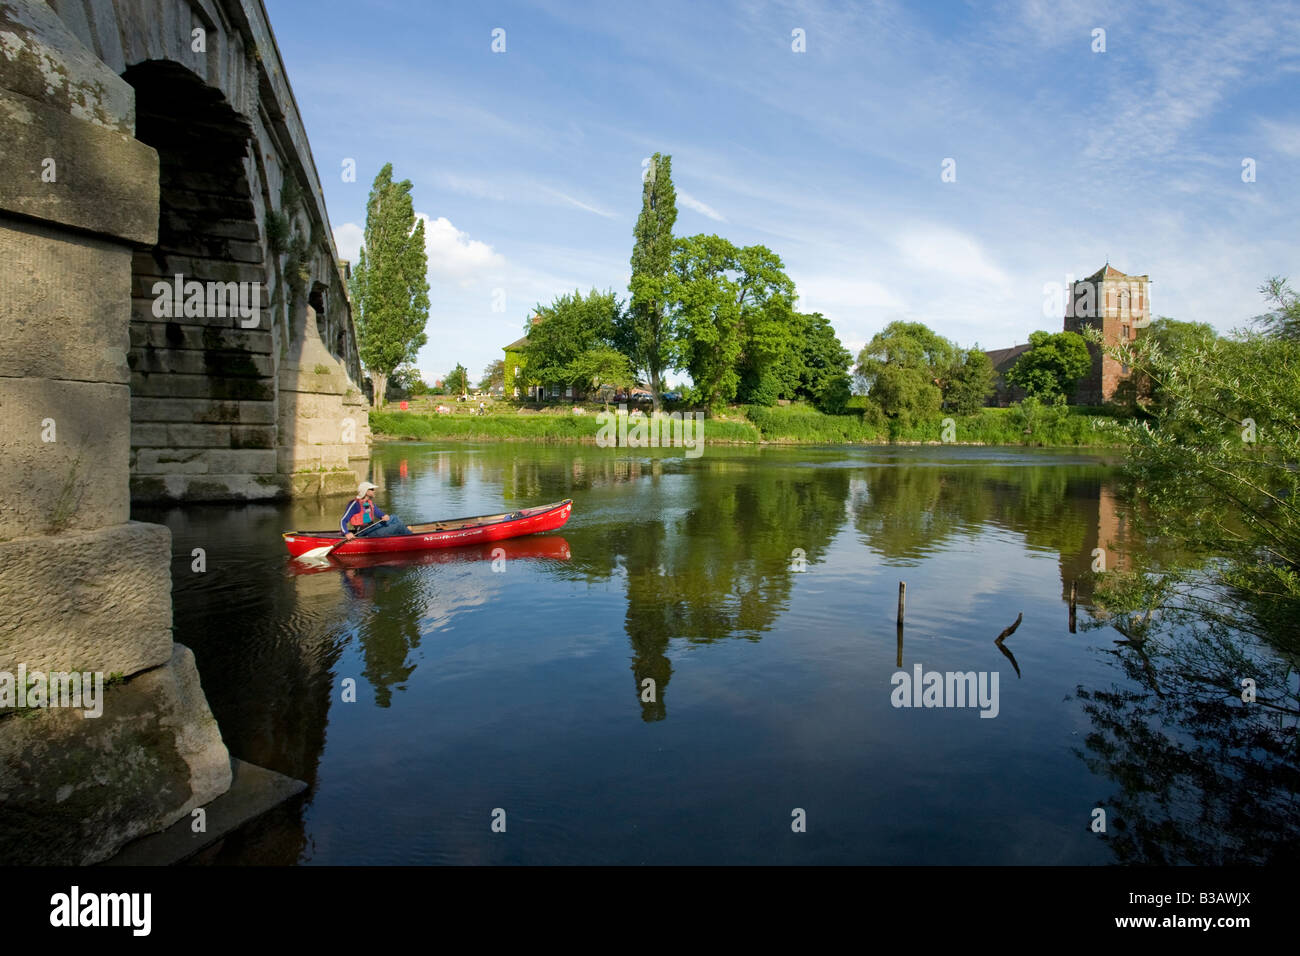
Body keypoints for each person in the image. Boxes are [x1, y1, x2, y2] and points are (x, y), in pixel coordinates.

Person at [341, 481, 411, 539]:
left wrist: (384, 516)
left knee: (394, 517)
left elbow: (379, 513)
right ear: (366, 492)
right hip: (364, 532)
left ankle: (406, 533)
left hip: (372, 527)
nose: (374, 491)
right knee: (398, 526)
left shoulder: (369, 503)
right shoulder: (355, 504)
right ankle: (411, 537)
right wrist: (346, 533)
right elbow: (343, 521)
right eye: (372, 489)